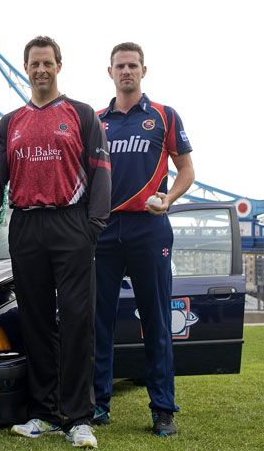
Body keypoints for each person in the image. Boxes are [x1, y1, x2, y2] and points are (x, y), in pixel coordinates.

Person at [0, 36, 110, 448]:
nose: (40, 70)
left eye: (47, 63)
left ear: (59, 66)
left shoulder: (82, 115)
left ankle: (79, 417)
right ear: (26, 68)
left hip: (72, 226)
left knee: (78, 321)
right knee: (37, 323)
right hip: (26, 227)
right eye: (34, 64)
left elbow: (102, 176)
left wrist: (92, 227)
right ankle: (44, 413)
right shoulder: (9, 123)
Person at [92, 42, 194, 437]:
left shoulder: (164, 116)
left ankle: (163, 409)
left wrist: (168, 198)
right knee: (98, 322)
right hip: (104, 230)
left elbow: (187, 170)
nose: (127, 72)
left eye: (133, 65)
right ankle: (98, 404)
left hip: (149, 228)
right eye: (120, 66)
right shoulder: (95, 120)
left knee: (156, 321)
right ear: (110, 72)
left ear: (143, 71)